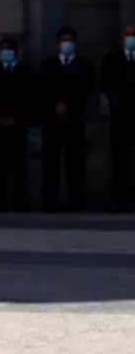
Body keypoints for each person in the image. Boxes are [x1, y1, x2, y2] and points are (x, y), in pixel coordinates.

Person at [38, 26, 94, 212]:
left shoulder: (84, 65)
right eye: (64, 40)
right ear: (58, 43)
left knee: (75, 165)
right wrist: (55, 105)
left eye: (70, 40)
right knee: (51, 163)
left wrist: (68, 105)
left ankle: (77, 202)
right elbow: (43, 90)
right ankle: (49, 203)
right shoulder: (48, 65)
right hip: (52, 121)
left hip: (74, 120)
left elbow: (86, 90)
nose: (67, 44)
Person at [0, 37, 33, 210]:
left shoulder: (26, 73)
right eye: (3, 48)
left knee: (18, 166)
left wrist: (16, 118)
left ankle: (19, 201)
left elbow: (30, 100)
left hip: (17, 127)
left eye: (9, 49)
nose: (6, 52)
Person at [102, 22, 135, 211]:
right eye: (129, 35)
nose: (132, 39)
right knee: (120, 160)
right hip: (120, 116)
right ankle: (121, 201)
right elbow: (106, 85)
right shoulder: (112, 59)